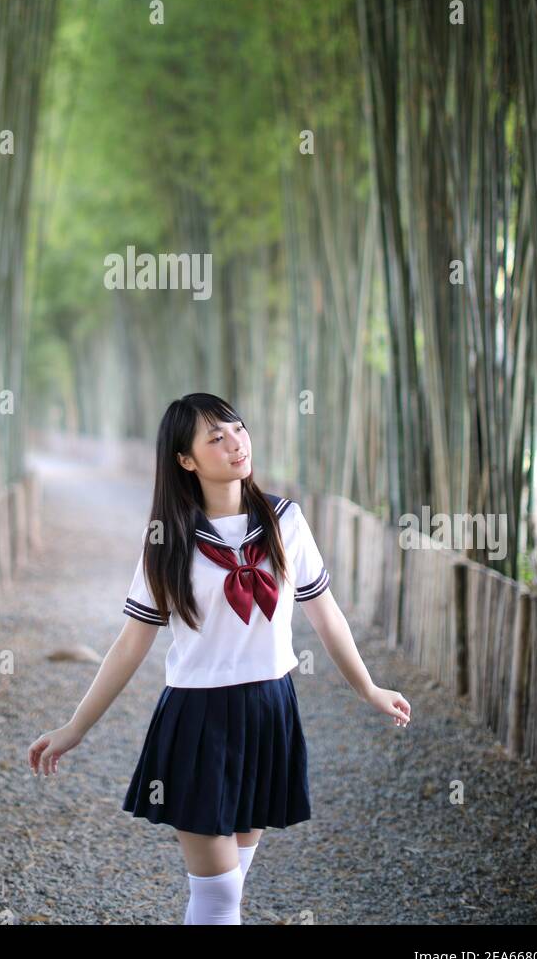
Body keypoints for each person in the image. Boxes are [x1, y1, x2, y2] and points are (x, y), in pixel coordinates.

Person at [27, 392, 411, 924]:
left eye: (237, 429)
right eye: (216, 437)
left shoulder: (285, 520)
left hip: (270, 708)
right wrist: (75, 727)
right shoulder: (167, 540)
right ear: (185, 460)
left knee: (232, 884)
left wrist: (369, 688)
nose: (236, 443)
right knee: (218, 896)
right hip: (198, 717)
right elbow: (132, 643)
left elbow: (325, 614)